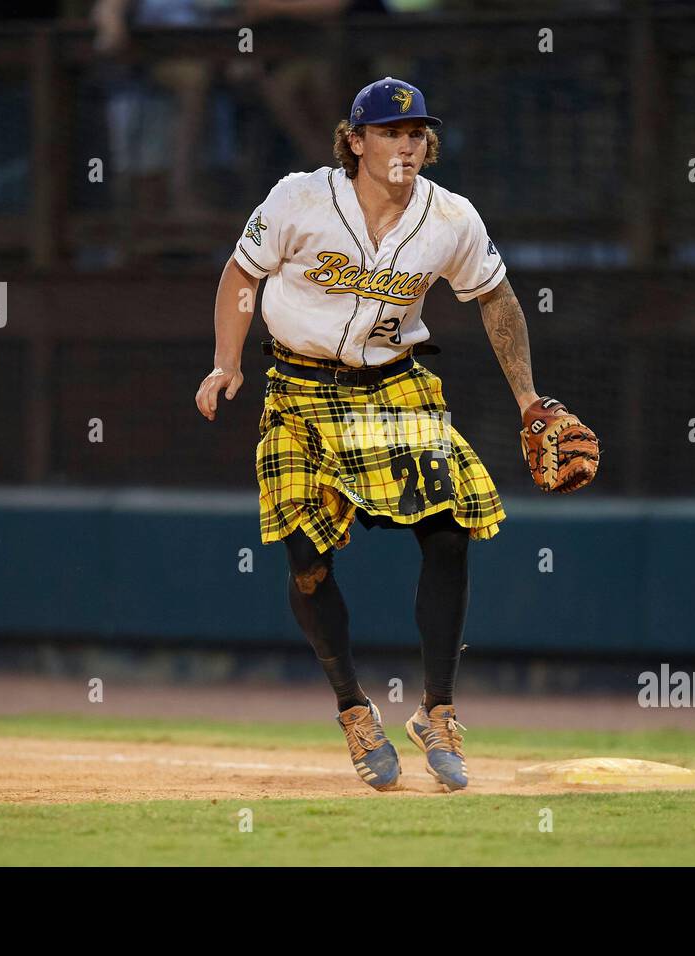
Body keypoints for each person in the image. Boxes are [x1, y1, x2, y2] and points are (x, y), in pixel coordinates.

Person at [196, 78, 544, 793]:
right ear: (355, 142)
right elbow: (242, 271)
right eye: (389, 132)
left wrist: (529, 398)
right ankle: (354, 710)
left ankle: (438, 711)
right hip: (298, 383)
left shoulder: (450, 217)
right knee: (306, 557)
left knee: (449, 524)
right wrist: (226, 361)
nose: (406, 145)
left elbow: (497, 298)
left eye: (417, 133)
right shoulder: (299, 198)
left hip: (394, 380)